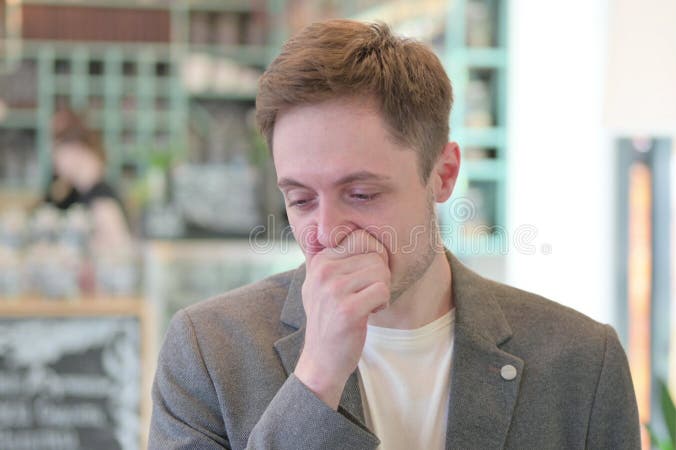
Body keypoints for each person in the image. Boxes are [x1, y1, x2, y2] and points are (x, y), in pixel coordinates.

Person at [149, 20, 640, 450]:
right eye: (300, 199)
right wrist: (317, 377)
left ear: (443, 175)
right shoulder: (208, 351)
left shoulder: (580, 363)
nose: (326, 231)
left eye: (361, 194)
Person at [46, 109, 131, 250]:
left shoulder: (101, 197)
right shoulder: (84, 191)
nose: (55, 161)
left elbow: (122, 247)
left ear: (75, 149)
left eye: (57, 150)